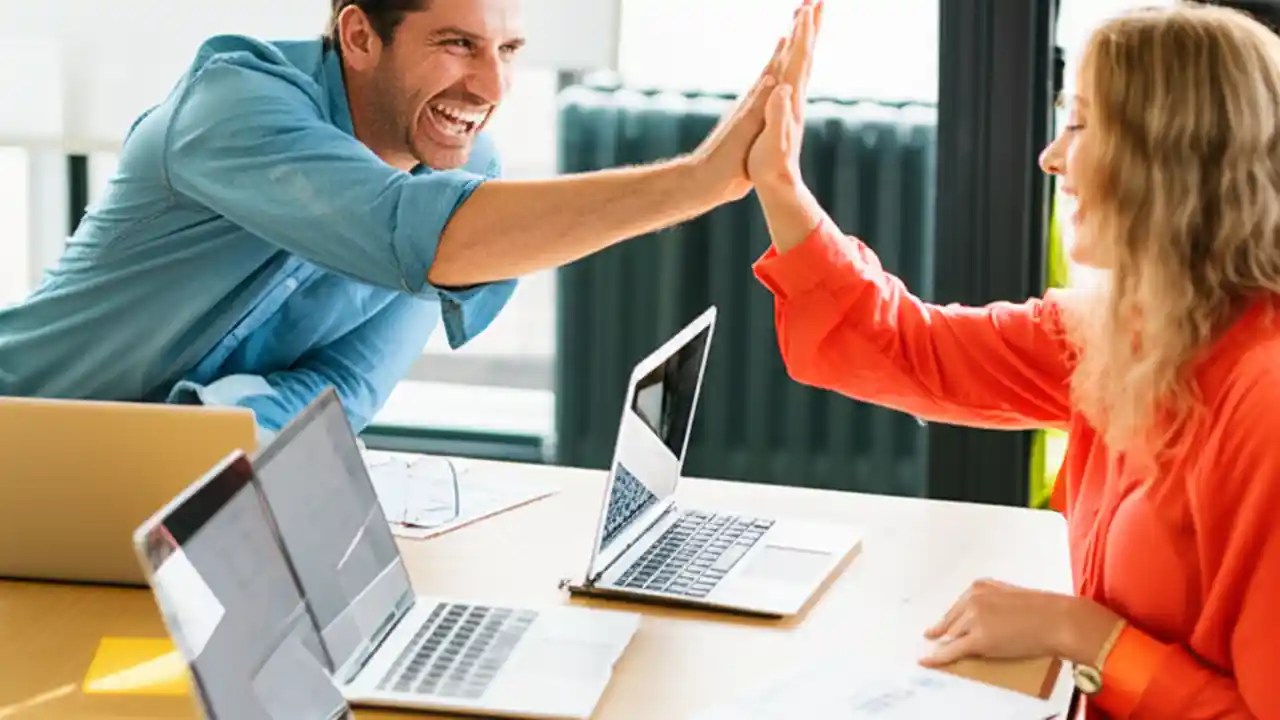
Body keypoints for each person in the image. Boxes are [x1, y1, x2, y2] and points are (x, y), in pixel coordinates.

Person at [748, 3, 1279, 718]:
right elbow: (914, 348)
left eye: (1083, 124)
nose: (1052, 156)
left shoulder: (1263, 398)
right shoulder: (1126, 332)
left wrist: (1081, 632)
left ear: (1175, 156)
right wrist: (780, 184)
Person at [0, 0, 812, 434]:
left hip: (142, 497)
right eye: (457, 44)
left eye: (510, 50)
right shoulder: (233, 105)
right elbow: (418, 234)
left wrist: (203, 450)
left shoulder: (464, 173)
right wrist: (698, 182)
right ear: (359, 35)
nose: (491, 89)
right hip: (20, 441)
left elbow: (343, 388)